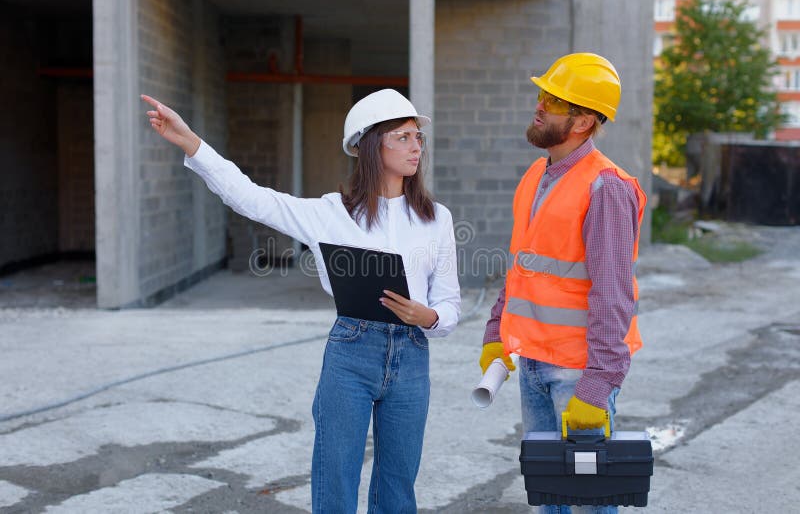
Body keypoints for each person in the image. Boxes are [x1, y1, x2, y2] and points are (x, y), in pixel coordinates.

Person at [141, 89, 461, 514]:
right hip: (351, 354)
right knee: (335, 478)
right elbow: (252, 198)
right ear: (370, 145)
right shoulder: (331, 213)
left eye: (417, 136)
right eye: (402, 136)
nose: (416, 146)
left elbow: (451, 303)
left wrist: (430, 316)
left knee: (398, 485)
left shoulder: (435, 219)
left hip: (411, 358)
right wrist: (191, 143)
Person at [479, 53, 647, 514]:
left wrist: (599, 384)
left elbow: (614, 295)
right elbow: (522, 265)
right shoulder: (537, 175)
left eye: (553, 100)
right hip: (533, 363)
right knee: (549, 499)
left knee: (589, 505)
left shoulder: (606, 186)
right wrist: (498, 332)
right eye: (542, 95)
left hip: (577, 373)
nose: (539, 106)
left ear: (584, 119)